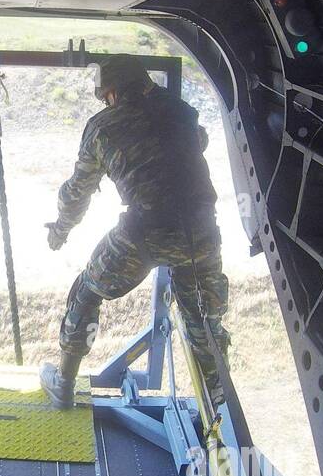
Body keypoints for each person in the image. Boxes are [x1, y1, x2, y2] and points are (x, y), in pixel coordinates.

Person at [40, 54, 231, 408]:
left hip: (145, 233)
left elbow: (77, 192)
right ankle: (218, 399)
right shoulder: (182, 112)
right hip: (201, 232)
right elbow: (196, 143)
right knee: (202, 317)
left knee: (87, 290)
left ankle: (63, 384)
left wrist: (61, 230)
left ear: (109, 92)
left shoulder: (102, 128)